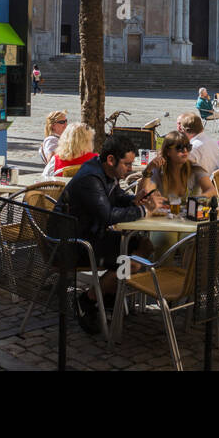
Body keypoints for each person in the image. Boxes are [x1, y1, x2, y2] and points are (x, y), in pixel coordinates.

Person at [60, 134, 154, 334]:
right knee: (133, 263)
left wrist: (134, 199)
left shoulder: (105, 171)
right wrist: (143, 212)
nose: (130, 169)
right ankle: (89, 299)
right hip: (74, 243)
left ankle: (108, 292)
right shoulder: (91, 178)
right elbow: (107, 215)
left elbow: (116, 196)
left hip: (92, 235)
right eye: (127, 164)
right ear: (111, 160)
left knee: (145, 245)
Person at [140, 131, 216, 210]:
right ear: (168, 152)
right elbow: (145, 193)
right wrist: (148, 170)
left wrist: (200, 198)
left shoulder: (194, 168)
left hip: (187, 217)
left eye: (188, 147)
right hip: (163, 216)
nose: (185, 150)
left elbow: (212, 190)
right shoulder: (159, 169)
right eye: (180, 148)